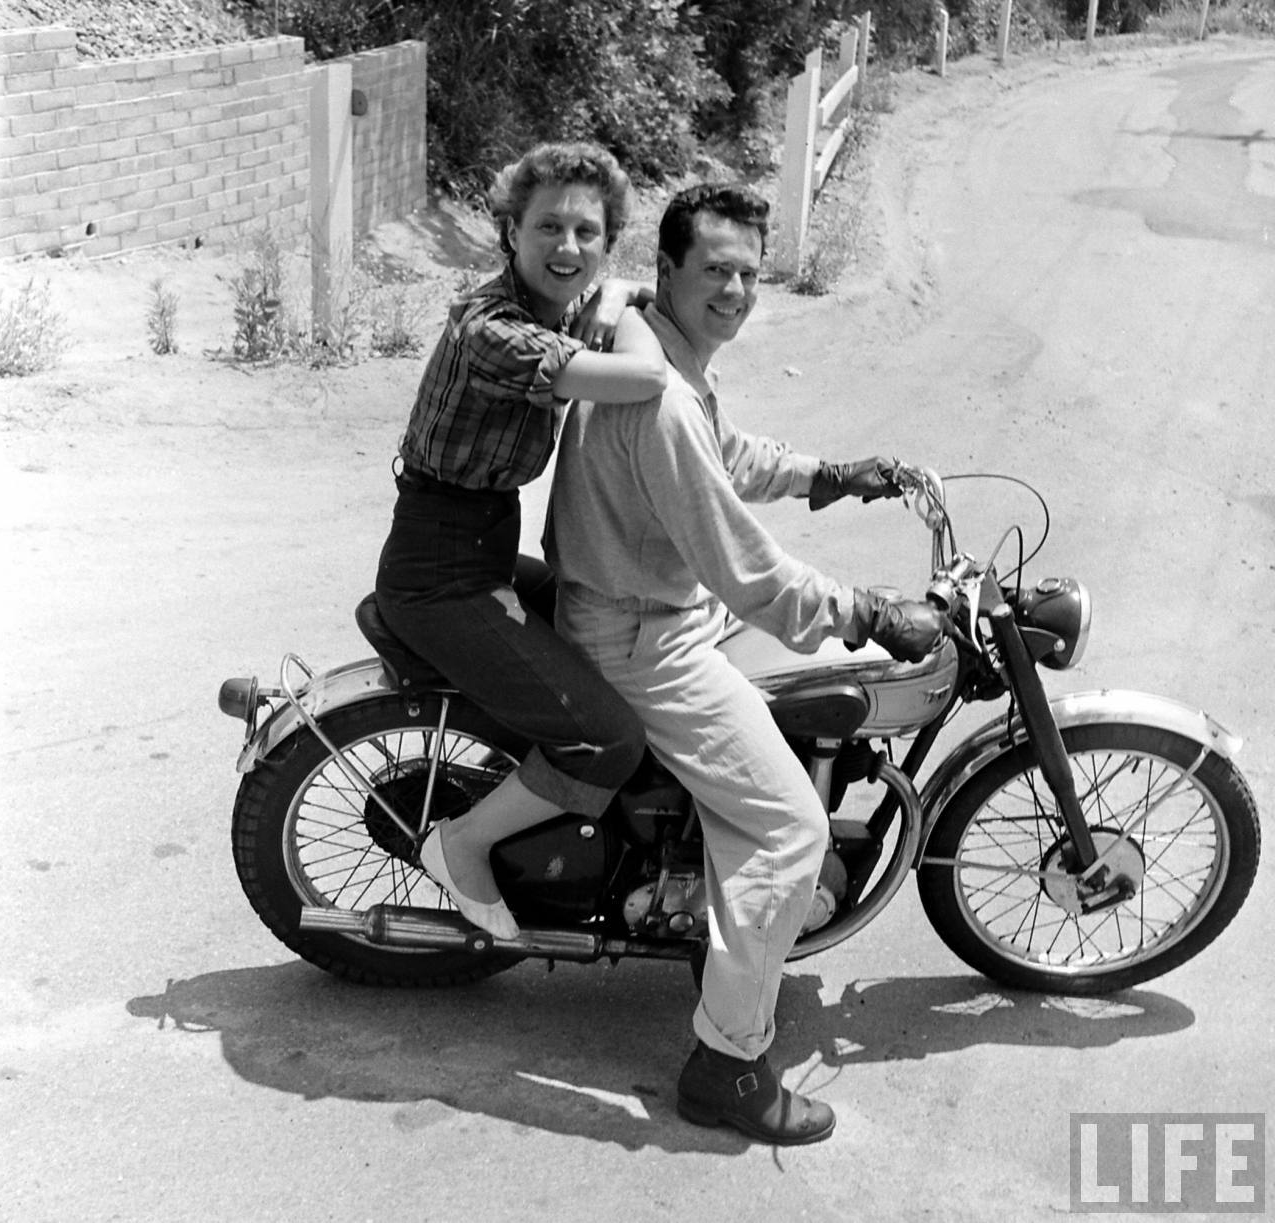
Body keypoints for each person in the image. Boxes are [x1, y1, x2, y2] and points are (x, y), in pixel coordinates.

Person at [546, 183, 954, 1145]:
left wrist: (827, 475)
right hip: (644, 638)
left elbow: (725, 454)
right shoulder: (662, 407)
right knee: (786, 829)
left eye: (748, 273)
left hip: (646, 613)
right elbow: (746, 569)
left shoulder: (658, 344)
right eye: (716, 270)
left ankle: (720, 924)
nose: (734, 290)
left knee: (782, 717)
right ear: (670, 272)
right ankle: (727, 1064)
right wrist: (863, 612)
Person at [375, 142, 667, 941]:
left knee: (608, 619)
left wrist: (620, 301)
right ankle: (462, 844)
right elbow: (643, 380)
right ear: (510, 231)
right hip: (442, 574)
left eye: (587, 231)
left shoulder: (555, 303)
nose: (567, 247)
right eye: (548, 227)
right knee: (608, 738)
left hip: (483, 548)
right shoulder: (491, 326)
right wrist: (627, 318)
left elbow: (619, 299)